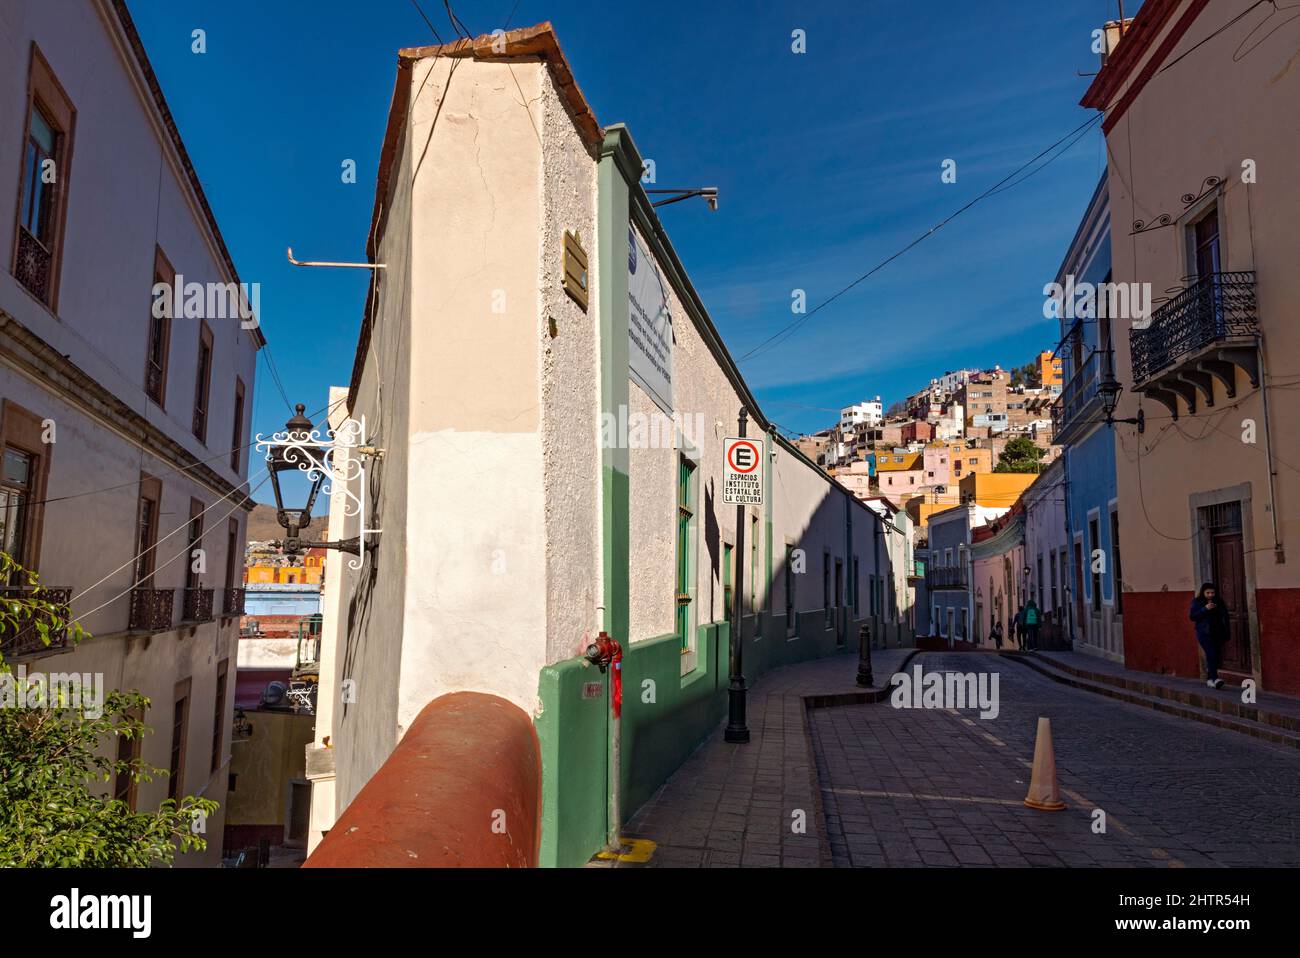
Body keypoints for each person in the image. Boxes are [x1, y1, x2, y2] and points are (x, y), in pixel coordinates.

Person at [1190, 582, 1231, 689]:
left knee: (1215, 656)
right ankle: (1216, 678)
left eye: (1212, 592)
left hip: (1218, 632)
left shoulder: (1219, 602)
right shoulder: (1197, 602)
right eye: (1208, 593)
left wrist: (1227, 632)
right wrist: (1205, 609)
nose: (1210, 595)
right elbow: (1193, 616)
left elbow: (1225, 617)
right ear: (1203, 592)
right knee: (1211, 653)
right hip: (1204, 633)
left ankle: (1210, 679)